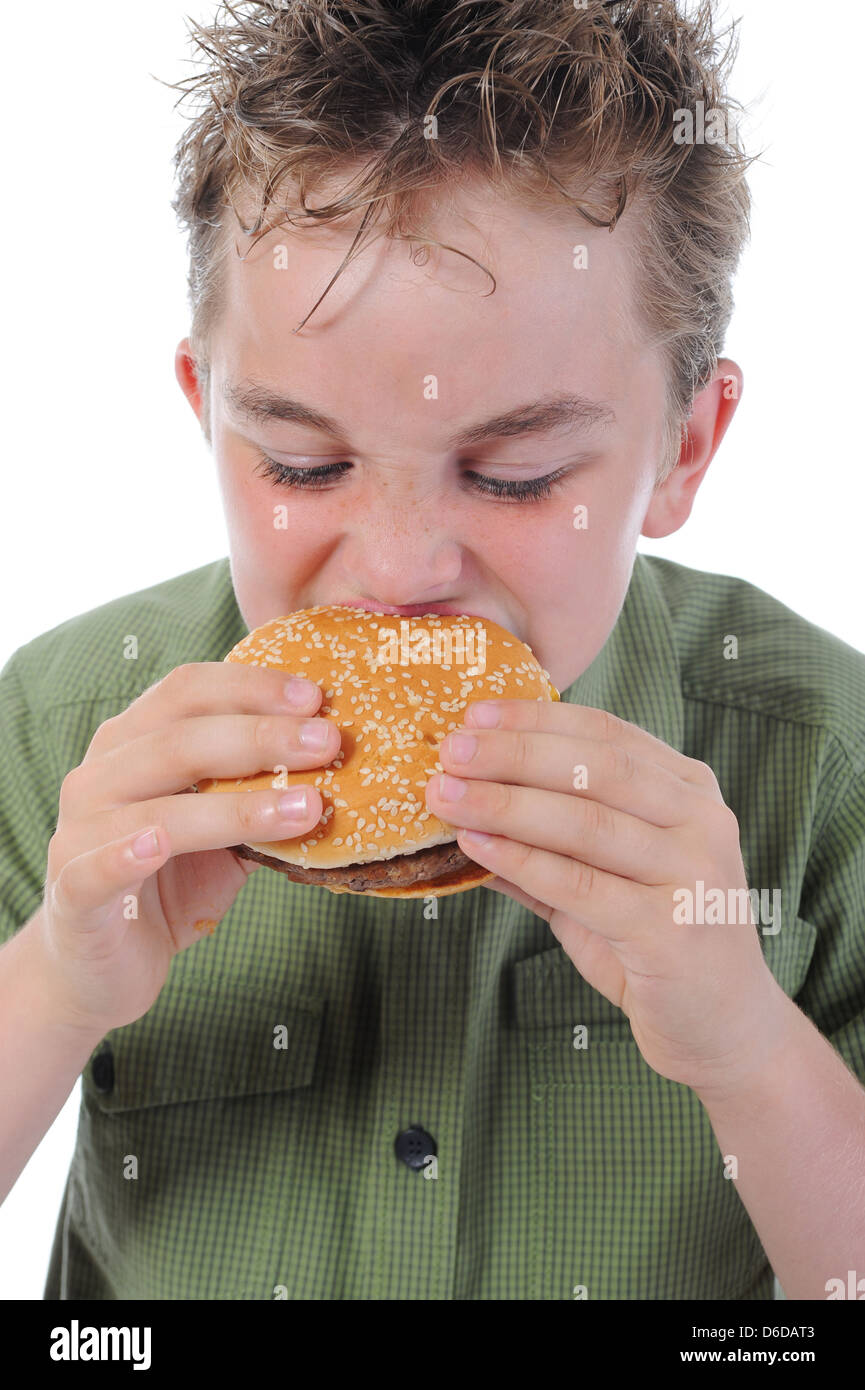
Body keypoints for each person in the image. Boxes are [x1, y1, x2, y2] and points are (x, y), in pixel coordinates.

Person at [1, 0, 864, 1302]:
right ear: (205, 412)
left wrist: (747, 1047)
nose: (399, 574)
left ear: (683, 448)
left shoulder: (823, 767)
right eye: (303, 462)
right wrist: (56, 984)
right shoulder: (60, 726)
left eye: (513, 474)